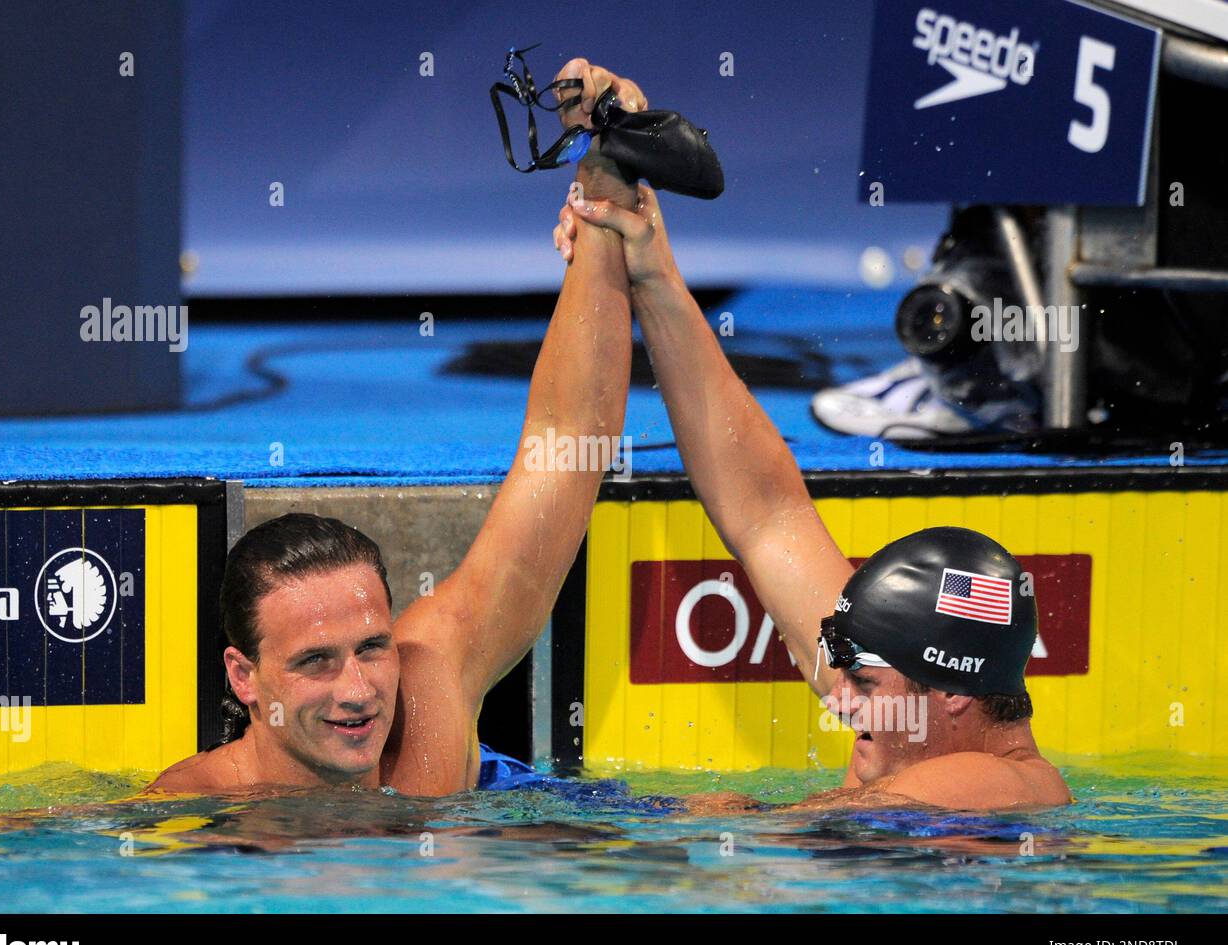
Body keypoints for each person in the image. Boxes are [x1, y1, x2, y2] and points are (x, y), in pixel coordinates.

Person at [550, 94, 1071, 810]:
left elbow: (796, 834)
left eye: (862, 683)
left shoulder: (1004, 787)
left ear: (952, 694)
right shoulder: (914, 707)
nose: (839, 699)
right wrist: (653, 270)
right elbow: (766, 513)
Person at [148, 61, 651, 797]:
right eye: (316, 661)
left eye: (373, 648)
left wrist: (606, 183)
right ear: (244, 677)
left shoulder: (432, 697)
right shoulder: (195, 810)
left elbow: (566, 447)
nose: (359, 692)